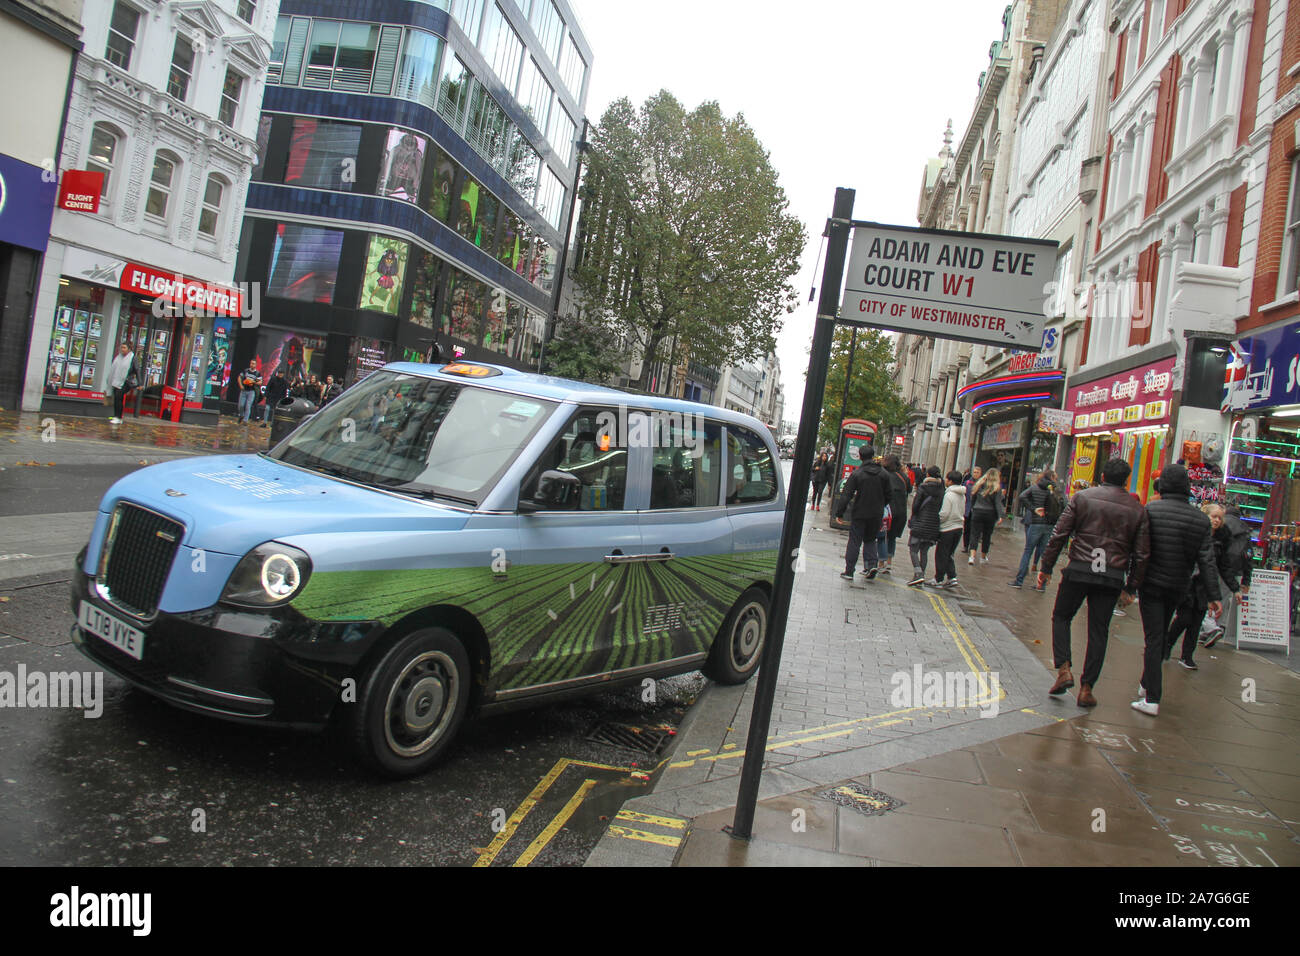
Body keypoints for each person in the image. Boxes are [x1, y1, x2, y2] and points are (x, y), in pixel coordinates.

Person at [1037, 457, 1150, 708]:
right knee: (1099, 630)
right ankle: (1087, 688)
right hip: (1111, 575)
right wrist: (1131, 587)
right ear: (1126, 480)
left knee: (1062, 616)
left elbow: (1059, 534)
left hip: (1078, 568)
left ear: (1102, 475)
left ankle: (1064, 669)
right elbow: (1142, 554)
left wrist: (1046, 567)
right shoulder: (1136, 509)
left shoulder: (1082, 497)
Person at [1133, 465, 1223, 716]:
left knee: (1153, 637)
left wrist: (1131, 583)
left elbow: (1139, 550)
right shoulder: (1200, 520)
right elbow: (1207, 560)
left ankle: (1152, 698)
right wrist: (1214, 596)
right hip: (1178, 586)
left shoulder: (1150, 510)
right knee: (1160, 634)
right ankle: (1145, 683)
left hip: (1151, 584)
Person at [1164, 504, 1240, 670]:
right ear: (1205, 516)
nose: (1217, 520)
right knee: (1184, 618)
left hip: (1205, 586)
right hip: (1188, 583)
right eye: (1214, 516)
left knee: (1196, 622)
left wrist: (1235, 588)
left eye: (1220, 518)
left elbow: (1224, 566)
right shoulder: (1195, 534)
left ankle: (1187, 656)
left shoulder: (1222, 540)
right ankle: (1167, 644)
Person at [835, 443, 893, 581]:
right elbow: (889, 495)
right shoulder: (884, 474)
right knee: (870, 539)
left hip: (860, 512)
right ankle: (871, 566)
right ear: (872, 456)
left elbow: (846, 494)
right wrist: (881, 505)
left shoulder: (857, 474)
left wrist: (839, 513)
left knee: (855, 541)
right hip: (876, 513)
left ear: (860, 457)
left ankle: (849, 571)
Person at [1011, 468, 1059, 589]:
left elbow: (1022, 496)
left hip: (1036, 522)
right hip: (1049, 524)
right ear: (1052, 478)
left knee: (1028, 551)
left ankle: (1019, 581)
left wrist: (1033, 509)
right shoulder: (1055, 490)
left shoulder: (1036, 487)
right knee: (1044, 554)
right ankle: (1041, 585)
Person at [907, 466, 945, 587]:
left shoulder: (923, 487)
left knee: (913, 549)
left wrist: (913, 517)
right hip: (933, 525)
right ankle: (920, 575)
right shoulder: (942, 490)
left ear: (928, 475)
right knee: (924, 551)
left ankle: (918, 574)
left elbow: (916, 505)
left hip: (920, 523)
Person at [934, 470, 966, 588]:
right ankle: (952, 577)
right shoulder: (962, 495)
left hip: (948, 528)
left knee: (941, 554)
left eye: (947, 479)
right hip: (958, 527)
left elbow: (944, 513)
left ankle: (938, 579)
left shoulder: (949, 495)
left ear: (951, 481)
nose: (945, 481)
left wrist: (938, 521)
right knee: (949, 554)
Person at [881, 455, 911, 574]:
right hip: (900, 511)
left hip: (886, 511)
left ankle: (881, 562)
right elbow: (909, 490)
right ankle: (889, 561)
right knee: (892, 537)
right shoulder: (903, 476)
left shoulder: (884, 475)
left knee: (882, 536)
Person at [967, 469, 1004, 565]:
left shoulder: (979, 484)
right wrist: (1000, 516)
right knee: (987, 535)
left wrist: (973, 508)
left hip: (977, 511)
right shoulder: (996, 488)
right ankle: (983, 557)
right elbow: (997, 503)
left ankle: (972, 557)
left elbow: (973, 498)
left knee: (974, 534)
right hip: (990, 513)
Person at [107, 344, 138, 425]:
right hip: (116, 380)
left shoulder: (133, 358)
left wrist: (140, 383)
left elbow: (137, 370)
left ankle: (118, 417)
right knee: (117, 399)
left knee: (118, 396)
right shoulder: (118, 357)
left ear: (129, 349)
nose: (122, 349)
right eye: (121, 347)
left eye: (124, 347)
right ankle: (117, 416)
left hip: (126, 381)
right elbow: (113, 369)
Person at [961, 466, 982, 553]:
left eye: (977, 472)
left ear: (980, 474)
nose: (975, 474)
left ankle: (972, 547)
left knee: (975, 530)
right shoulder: (967, 482)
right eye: (974, 472)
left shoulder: (982, 484)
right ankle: (965, 546)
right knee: (966, 529)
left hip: (977, 510)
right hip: (968, 509)